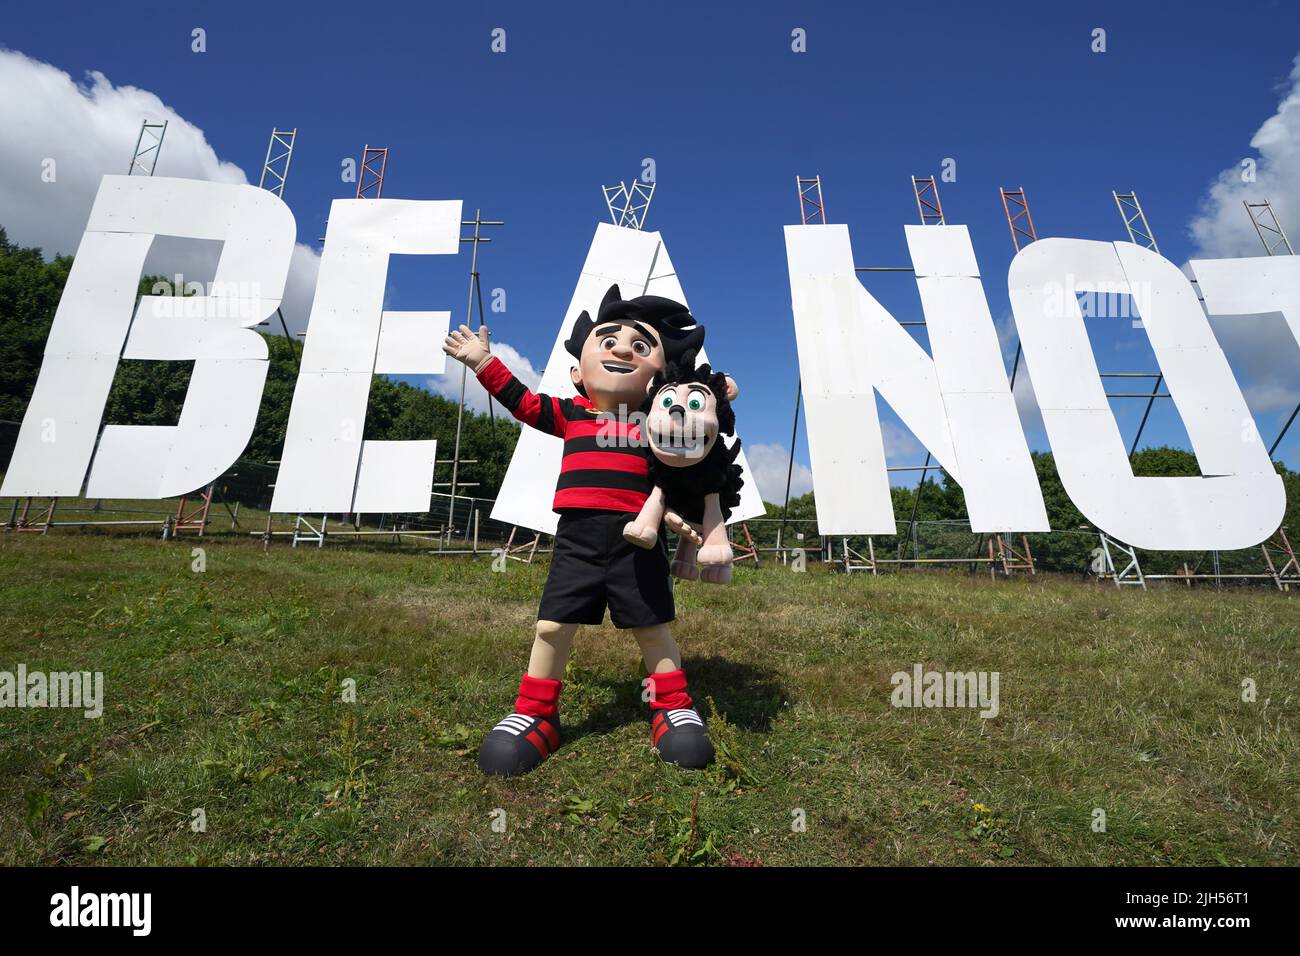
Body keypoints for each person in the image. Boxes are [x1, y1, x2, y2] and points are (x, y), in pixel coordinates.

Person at [442, 284, 716, 777]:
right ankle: (535, 712)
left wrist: (680, 515)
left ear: (659, 379)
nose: (622, 348)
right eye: (607, 340)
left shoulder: (658, 428)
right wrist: (484, 362)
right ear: (577, 373)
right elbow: (522, 402)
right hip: (577, 538)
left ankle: (670, 706)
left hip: (640, 541)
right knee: (552, 626)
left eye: (641, 345)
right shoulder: (570, 415)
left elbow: (676, 476)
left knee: (652, 627)